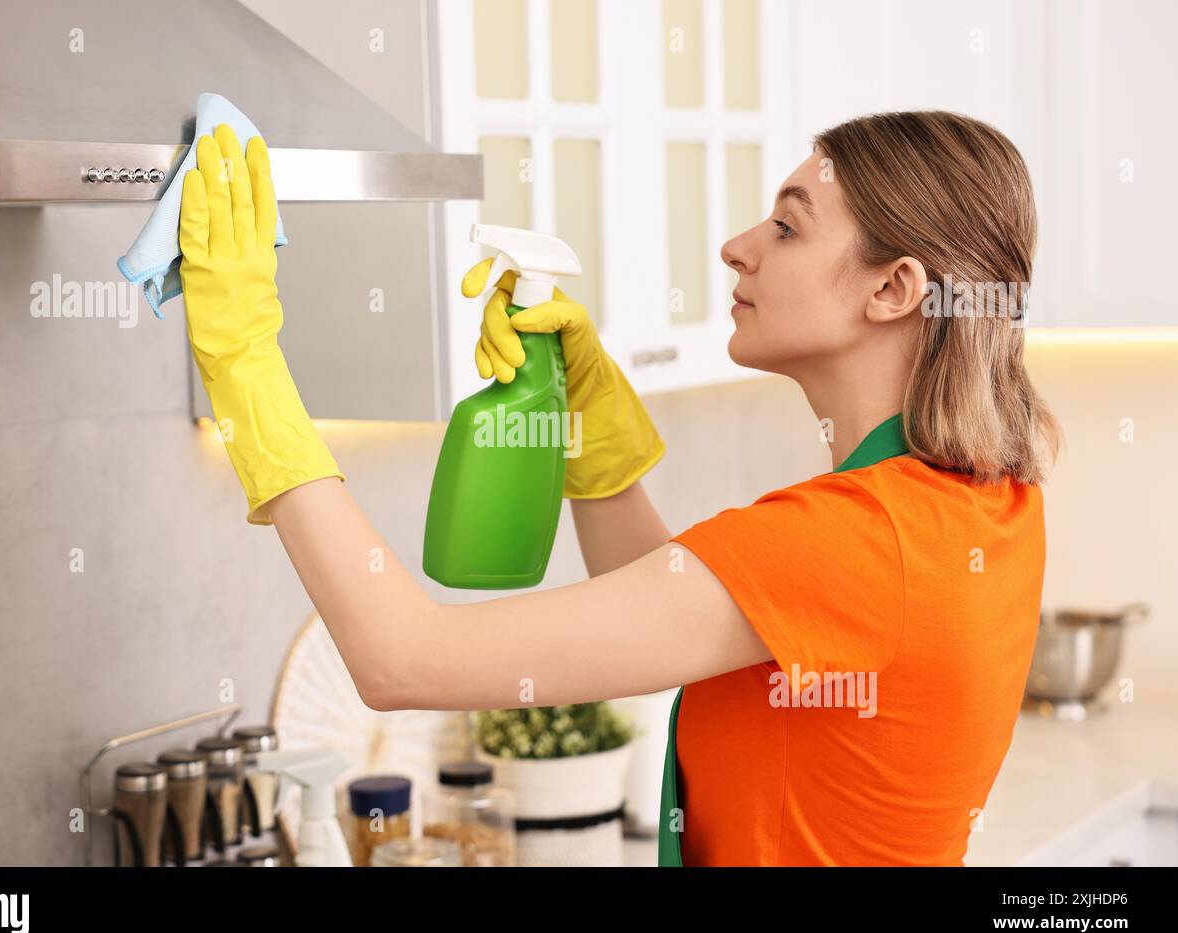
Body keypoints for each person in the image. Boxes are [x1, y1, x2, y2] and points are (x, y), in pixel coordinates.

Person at [178, 110, 1059, 866]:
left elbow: (399, 657)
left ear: (894, 288)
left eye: (788, 228)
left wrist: (244, 362)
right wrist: (587, 429)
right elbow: (691, 621)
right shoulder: (983, 503)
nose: (737, 247)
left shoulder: (853, 537)